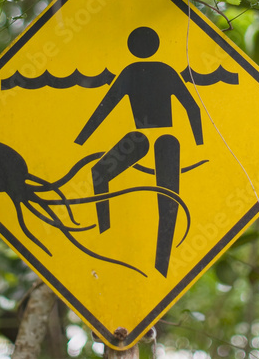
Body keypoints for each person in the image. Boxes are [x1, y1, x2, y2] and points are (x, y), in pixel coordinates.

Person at [75, 27, 203, 276]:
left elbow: (103, 109)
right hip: (160, 139)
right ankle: (123, 246)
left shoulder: (132, 72)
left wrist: (82, 139)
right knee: (166, 203)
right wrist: (198, 142)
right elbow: (193, 108)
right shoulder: (160, 71)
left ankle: (154, 265)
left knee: (102, 176)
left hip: (145, 139)